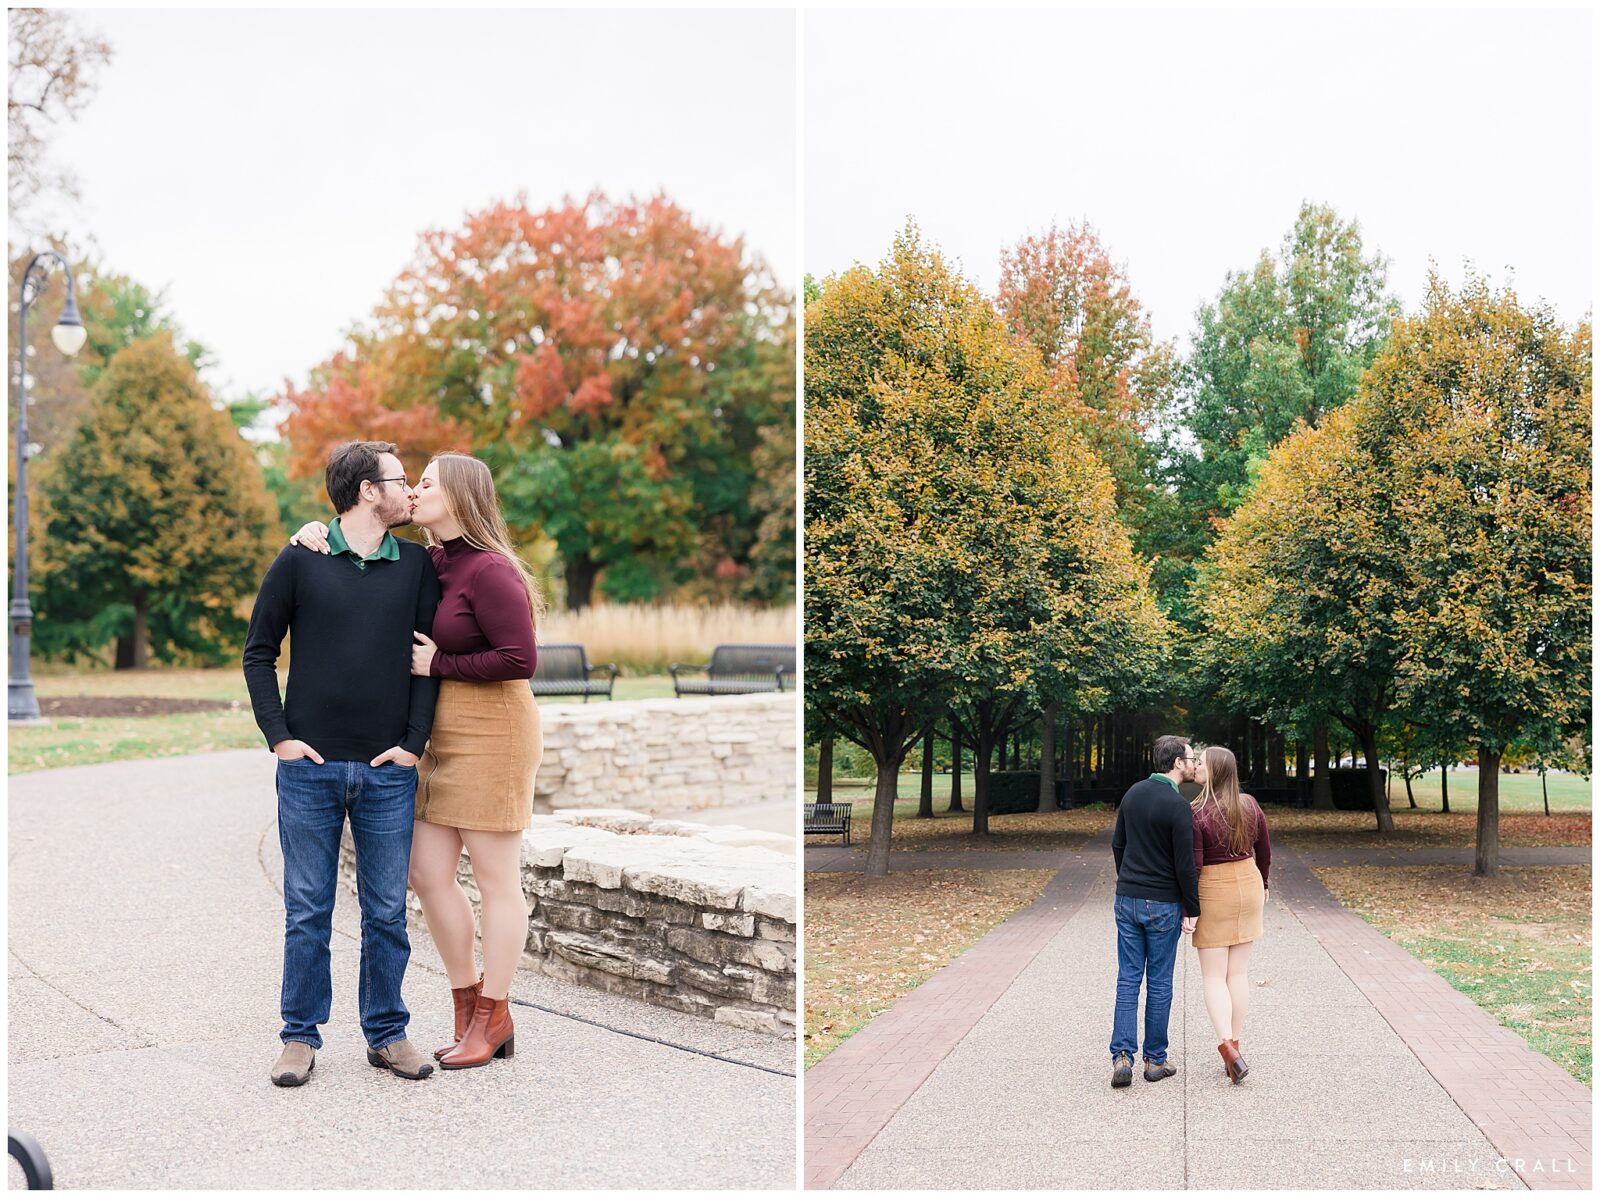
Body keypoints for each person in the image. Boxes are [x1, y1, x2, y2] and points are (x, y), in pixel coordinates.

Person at [290, 451, 543, 1069]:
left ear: (457, 496)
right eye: (413, 482)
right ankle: (466, 1004)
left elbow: (521, 658)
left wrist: (441, 665)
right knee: (427, 875)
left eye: (426, 483)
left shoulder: (491, 570)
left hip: (493, 733)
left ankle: (496, 1012)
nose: (416, 491)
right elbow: (362, 553)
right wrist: (312, 533)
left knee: (495, 880)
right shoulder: (429, 561)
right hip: (437, 739)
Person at [243, 440, 441, 1086]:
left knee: (386, 910)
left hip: (387, 773)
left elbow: (425, 662)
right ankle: (298, 1037)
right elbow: (258, 652)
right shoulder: (301, 560)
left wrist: (413, 744)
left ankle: (387, 1033)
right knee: (308, 908)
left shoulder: (416, 566)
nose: (408, 489)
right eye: (399, 479)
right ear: (366, 491)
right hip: (309, 771)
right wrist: (279, 738)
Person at [1109, 735, 1200, 1088]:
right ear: (1177, 763)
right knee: (1160, 982)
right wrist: (1193, 907)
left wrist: (1129, 879)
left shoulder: (1132, 793)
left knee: (1128, 978)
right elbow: (1185, 865)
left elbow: (1119, 844)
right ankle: (1154, 1060)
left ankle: (1121, 1056)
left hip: (1127, 897)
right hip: (1163, 903)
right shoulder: (1178, 806)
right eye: (1191, 758)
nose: (1193, 764)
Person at [1189, 744, 1271, 1084]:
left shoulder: (1196, 812)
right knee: (1237, 974)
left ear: (1216, 771)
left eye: (1202, 763)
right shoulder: (1249, 805)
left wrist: (1188, 906)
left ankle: (1226, 1046)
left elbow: (1194, 865)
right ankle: (1236, 1045)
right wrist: (1263, 884)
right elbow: (1264, 849)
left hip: (1214, 888)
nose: (1196, 767)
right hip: (1248, 881)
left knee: (1213, 977)